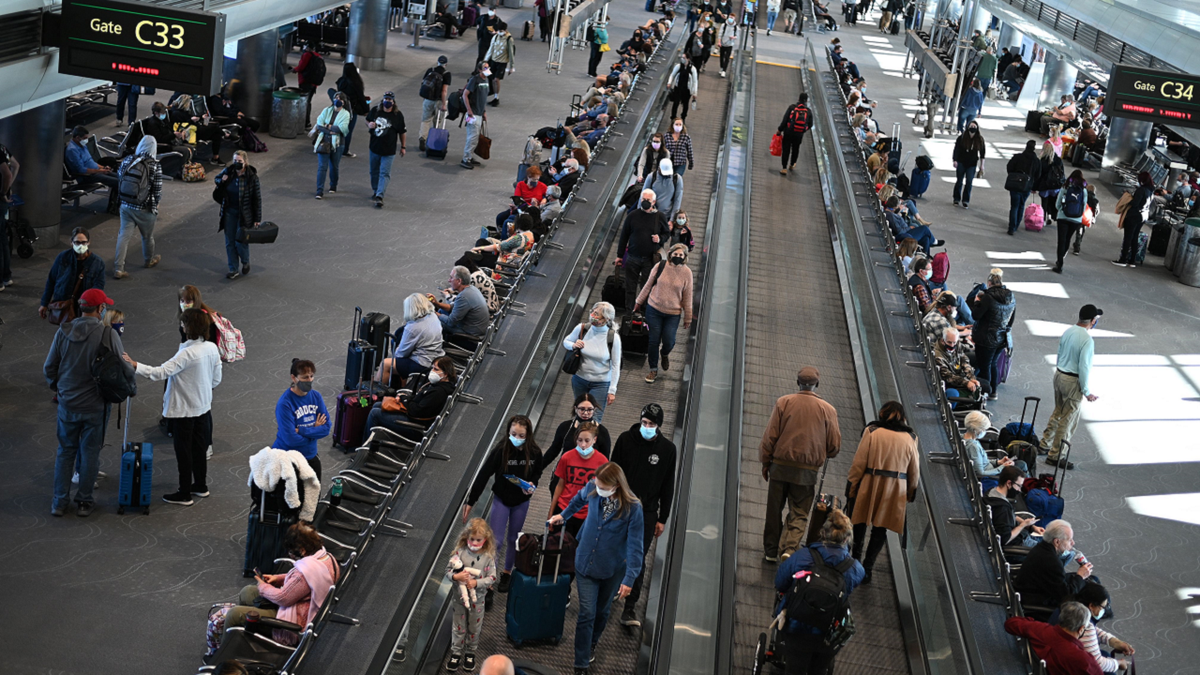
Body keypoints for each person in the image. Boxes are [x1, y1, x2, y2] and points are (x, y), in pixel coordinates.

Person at [548, 462, 644, 675]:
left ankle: (593, 642)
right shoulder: (593, 488)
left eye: (602, 486)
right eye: (596, 484)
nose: (597, 489)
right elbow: (577, 500)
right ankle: (581, 663)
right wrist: (563, 515)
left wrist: (629, 579)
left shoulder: (633, 508)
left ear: (616, 485)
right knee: (587, 613)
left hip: (612, 568)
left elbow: (636, 547)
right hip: (585, 563)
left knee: (602, 612)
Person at [44, 289, 128, 517]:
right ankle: (84, 502)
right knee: (90, 453)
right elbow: (123, 367)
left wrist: (60, 389)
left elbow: (49, 368)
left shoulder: (63, 331)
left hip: (68, 404)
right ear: (100, 309)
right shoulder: (107, 334)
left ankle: (59, 502)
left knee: (65, 452)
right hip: (95, 406)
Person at [759, 366, 842, 563]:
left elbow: (770, 436)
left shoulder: (784, 402)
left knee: (774, 510)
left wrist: (765, 461)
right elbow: (834, 446)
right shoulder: (828, 410)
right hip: (807, 471)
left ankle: (770, 551)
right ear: (817, 384)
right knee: (799, 511)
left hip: (779, 466)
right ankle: (789, 547)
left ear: (798, 383)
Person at [772, 509, 865, 674]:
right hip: (829, 631)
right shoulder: (856, 569)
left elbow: (780, 583)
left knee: (794, 669)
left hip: (796, 626)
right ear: (847, 539)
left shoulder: (803, 556)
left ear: (823, 533)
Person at [610, 403, 677, 626]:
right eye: (645, 423)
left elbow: (668, 485)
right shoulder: (625, 440)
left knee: (636, 557)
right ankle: (610, 591)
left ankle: (630, 608)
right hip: (621, 505)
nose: (647, 427)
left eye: (652, 424)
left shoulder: (667, 450)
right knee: (614, 549)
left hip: (647, 511)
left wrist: (663, 518)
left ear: (659, 426)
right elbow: (611, 472)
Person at [464, 416, 543, 595]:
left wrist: (532, 484)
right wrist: (471, 500)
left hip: (521, 502)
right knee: (495, 541)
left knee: (514, 539)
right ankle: (489, 580)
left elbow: (538, 471)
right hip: (501, 499)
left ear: (528, 435)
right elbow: (484, 474)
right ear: (508, 432)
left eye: (521, 435)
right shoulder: (501, 450)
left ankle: (506, 573)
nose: (517, 437)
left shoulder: (535, 452)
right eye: (513, 434)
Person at [224, 523, 339, 645]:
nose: (290, 555)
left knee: (233, 615)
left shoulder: (306, 571)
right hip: (300, 605)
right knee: (247, 592)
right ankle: (246, 639)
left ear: (302, 550)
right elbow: (306, 581)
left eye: (291, 552)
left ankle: (221, 655)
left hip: (294, 620)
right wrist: (277, 578)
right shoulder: (326, 558)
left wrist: (263, 587)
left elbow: (282, 598)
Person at [846, 401, 919, 582]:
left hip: (870, 482)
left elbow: (859, 463)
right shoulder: (910, 437)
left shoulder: (872, 432)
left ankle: (854, 561)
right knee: (880, 529)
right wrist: (910, 492)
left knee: (859, 523)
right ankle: (867, 568)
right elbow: (914, 470)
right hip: (895, 488)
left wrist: (852, 486)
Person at [1042, 305, 1102, 470]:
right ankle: (1055, 456)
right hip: (1072, 381)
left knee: (1058, 412)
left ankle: (1045, 443)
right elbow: (1084, 367)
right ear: (1092, 321)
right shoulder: (1087, 340)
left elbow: (1060, 353)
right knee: (1068, 420)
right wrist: (1087, 392)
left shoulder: (1068, 331)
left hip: (1059, 375)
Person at [443, 518, 498, 672]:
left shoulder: (488, 558)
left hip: (478, 600)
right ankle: (456, 652)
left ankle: (470, 652)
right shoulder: (460, 553)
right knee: (458, 626)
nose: (474, 543)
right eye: (472, 539)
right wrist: (455, 577)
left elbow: (492, 577)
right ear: (467, 537)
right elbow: (447, 571)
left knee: (474, 626)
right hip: (458, 599)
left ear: (485, 539)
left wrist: (477, 583)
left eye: (478, 540)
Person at [634, 244, 693, 384]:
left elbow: (687, 296)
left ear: (685, 257)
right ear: (670, 253)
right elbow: (648, 285)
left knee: (669, 340)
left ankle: (665, 353)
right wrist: (638, 302)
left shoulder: (687, 273)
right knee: (654, 340)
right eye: (676, 254)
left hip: (673, 314)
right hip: (654, 309)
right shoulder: (660, 266)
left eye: (681, 255)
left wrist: (688, 317)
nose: (678, 257)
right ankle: (653, 369)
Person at [113, 136, 163, 279]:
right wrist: (156, 204)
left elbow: (120, 177)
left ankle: (118, 268)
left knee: (123, 236)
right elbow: (157, 189)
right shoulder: (155, 165)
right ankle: (148, 260)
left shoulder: (128, 159)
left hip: (126, 205)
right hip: (145, 208)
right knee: (147, 237)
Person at [562, 302, 621, 423]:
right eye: (593, 312)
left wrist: (612, 390)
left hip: (601, 383)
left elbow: (616, 365)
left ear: (606, 318)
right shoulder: (582, 328)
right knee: (580, 414)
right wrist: (573, 345)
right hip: (579, 380)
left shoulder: (613, 338)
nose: (593, 315)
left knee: (594, 419)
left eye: (597, 314)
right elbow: (566, 341)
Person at [1013, 519, 1092, 609]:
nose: (1073, 543)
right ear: (1057, 542)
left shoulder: (1043, 547)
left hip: (1032, 588)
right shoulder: (1052, 561)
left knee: (1090, 581)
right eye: (1069, 540)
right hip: (1035, 601)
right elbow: (1066, 597)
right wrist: (1080, 576)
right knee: (1087, 591)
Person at [548, 421, 609, 540]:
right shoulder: (567, 457)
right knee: (556, 547)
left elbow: (604, 493)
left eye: (587, 441)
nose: (583, 445)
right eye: (580, 440)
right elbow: (560, 485)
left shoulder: (602, 462)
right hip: (564, 508)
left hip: (587, 514)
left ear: (594, 440)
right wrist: (551, 512)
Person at [1004, 603, 1103, 675]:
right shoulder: (1083, 660)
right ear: (1081, 629)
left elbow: (1010, 624)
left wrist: (1031, 622)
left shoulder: (1039, 630)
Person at [273, 358, 331, 481]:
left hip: (310, 454)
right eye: (305, 377)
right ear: (294, 378)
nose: (309, 380)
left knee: (314, 495)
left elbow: (326, 429)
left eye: (311, 376)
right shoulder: (285, 404)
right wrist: (315, 430)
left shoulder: (316, 396)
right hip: (289, 458)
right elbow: (290, 439)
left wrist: (302, 431)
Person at [365, 356, 457, 432]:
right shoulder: (442, 386)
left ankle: (366, 449)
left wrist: (404, 399)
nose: (432, 371)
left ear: (445, 374)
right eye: (432, 368)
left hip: (416, 426)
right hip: (415, 416)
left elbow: (416, 411)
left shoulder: (438, 392)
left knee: (375, 414)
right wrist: (404, 398)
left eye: (436, 369)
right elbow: (420, 402)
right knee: (377, 405)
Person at [1061, 583, 1135, 673]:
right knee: (1109, 671)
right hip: (1070, 666)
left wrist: (1114, 642)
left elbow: (1093, 632)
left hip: (1061, 656)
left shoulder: (1067, 610)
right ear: (1091, 606)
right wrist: (1119, 663)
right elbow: (1098, 664)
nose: (1103, 611)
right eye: (1102, 607)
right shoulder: (1086, 627)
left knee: (1105, 654)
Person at [617, 189, 670, 312]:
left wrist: (660, 238)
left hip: (650, 259)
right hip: (632, 257)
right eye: (643, 200)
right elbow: (624, 236)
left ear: (654, 202)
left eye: (648, 200)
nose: (645, 202)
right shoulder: (633, 215)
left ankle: (643, 310)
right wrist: (620, 255)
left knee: (646, 286)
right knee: (630, 285)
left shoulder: (659, 216)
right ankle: (629, 310)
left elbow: (667, 233)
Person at [39, 228, 106, 322]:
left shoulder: (97, 263)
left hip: (85, 307)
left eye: (84, 242)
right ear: (71, 242)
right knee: (66, 332)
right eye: (77, 242)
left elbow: (98, 287)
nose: (81, 245)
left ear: (89, 242)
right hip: (65, 305)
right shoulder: (63, 257)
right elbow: (52, 280)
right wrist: (44, 303)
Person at [213, 150, 261, 280]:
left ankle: (245, 261)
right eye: (235, 161)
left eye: (239, 161)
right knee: (230, 242)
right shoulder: (229, 172)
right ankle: (233, 269)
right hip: (229, 212)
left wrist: (257, 218)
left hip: (245, 214)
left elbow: (257, 199)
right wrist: (222, 181)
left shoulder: (252, 177)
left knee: (240, 241)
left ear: (245, 162)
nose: (237, 164)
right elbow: (216, 179)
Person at [380, 293, 444, 386]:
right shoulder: (432, 315)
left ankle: (374, 395)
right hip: (436, 355)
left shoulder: (413, 328)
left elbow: (401, 353)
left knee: (385, 364)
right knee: (399, 362)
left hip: (423, 363)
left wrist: (396, 352)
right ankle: (402, 388)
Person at [970, 268, 1014, 400]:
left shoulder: (988, 297)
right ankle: (993, 392)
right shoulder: (1011, 296)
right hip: (1002, 337)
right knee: (993, 364)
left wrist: (977, 302)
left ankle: (984, 393)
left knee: (985, 366)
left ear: (989, 283)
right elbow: (1011, 319)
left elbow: (976, 316)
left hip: (986, 338)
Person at [544, 393, 613, 469]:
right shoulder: (565, 427)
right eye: (582, 409)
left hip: (590, 474)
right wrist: (536, 471)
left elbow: (604, 460)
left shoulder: (602, 431)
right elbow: (553, 451)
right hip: (565, 470)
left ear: (595, 409)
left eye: (589, 409)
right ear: (575, 409)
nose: (585, 413)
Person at [365, 91, 406, 208]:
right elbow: (367, 120)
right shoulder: (375, 111)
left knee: (384, 173)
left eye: (389, 100)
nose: (387, 102)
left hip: (389, 151)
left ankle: (380, 195)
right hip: (374, 148)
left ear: (393, 102)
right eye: (385, 99)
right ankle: (375, 190)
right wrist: (369, 125)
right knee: (374, 172)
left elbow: (402, 132)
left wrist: (403, 147)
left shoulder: (398, 115)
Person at [63, 126, 120, 211]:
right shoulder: (72, 150)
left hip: (96, 172)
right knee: (117, 182)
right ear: (78, 137)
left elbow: (91, 162)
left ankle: (116, 204)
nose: (86, 140)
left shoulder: (82, 145)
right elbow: (82, 170)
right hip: (87, 176)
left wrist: (103, 168)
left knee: (122, 177)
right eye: (85, 138)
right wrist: (101, 171)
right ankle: (114, 207)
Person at [985, 464, 1042, 547]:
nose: (1019, 490)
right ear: (1009, 483)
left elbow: (1011, 516)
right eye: (1019, 486)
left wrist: (1031, 527)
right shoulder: (1002, 508)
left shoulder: (991, 492)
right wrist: (1023, 525)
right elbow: (1005, 539)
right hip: (1017, 545)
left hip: (1020, 534)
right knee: (1061, 553)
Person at [432, 266, 490, 340]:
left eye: (451, 278)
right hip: (477, 327)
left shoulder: (464, 296)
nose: (449, 280)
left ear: (459, 281)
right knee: (442, 311)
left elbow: (450, 322)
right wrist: (437, 303)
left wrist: (435, 314)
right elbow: (453, 307)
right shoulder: (471, 289)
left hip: (472, 334)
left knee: (435, 321)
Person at [312, 92, 351, 199]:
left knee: (334, 166)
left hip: (338, 144)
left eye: (340, 99)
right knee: (322, 167)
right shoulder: (326, 110)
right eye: (335, 98)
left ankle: (333, 185)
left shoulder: (346, 114)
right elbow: (319, 124)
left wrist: (328, 126)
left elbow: (342, 128)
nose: (337, 100)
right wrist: (331, 130)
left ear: (344, 102)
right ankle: (319, 191)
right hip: (324, 142)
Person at [935, 327, 987, 406]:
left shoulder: (957, 344)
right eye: (949, 342)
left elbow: (964, 361)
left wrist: (971, 378)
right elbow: (948, 376)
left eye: (954, 342)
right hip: (949, 382)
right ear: (943, 341)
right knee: (985, 388)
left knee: (986, 386)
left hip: (958, 374)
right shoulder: (938, 356)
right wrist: (966, 383)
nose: (952, 345)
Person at [1113, 171, 1154, 267]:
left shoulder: (1141, 190)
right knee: (1135, 237)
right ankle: (1132, 261)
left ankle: (1123, 260)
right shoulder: (1151, 190)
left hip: (1134, 216)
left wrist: (1128, 199)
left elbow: (1135, 203)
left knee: (1128, 237)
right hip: (1143, 216)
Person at [1052, 171, 1088, 273]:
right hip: (1076, 219)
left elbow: (1058, 203)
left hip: (1063, 217)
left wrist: (1061, 210)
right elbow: (1084, 205)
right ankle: (1062, 257)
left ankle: (1059, 263)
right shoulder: (1083, 190)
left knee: (1061, 240)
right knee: (1068, 239)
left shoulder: (1065, 187)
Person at [963, 410, 1017, 478]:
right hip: (991, 475)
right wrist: (1002, 467)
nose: (985, 432)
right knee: (1021, 465)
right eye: (984, 430)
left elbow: (982, 461)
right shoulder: (973, 447)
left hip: (991, 468)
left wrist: (998, 462)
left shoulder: (963, 437)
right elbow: (981, 473)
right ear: (976, 430)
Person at [332, 62, 368, 157]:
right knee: (348, 130)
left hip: (340, 108)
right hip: (352, 109)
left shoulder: (341, 81)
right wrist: (366, 110)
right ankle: (345, 150)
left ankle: (334, 146)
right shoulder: (356, 83)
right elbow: (361, 97)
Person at [1005, 140, 1041, 235]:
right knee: (1021, 205)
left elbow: (1009, 167)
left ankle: (1011, 227)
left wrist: (1014, 175)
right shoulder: (1036, 161)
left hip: (1015, 185)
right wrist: (1033, 186)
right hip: (1027, 187)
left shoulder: (1018, 157)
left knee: (1014, 206)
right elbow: (1038, 175)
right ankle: (1016, 225)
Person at [460, 62, 491, 170]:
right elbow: (465, 95)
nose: (487, 69)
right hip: (473, 114)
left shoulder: (486, 80)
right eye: (485, 68)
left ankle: (470, 156)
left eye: (488, 67)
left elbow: (483, 98)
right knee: (472, 137)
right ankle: (466, 159)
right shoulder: (475, 80)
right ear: (479, 70)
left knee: (475, 137)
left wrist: (484, 112)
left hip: (479, 113)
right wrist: (469, 111)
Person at [419, 56, 451, 152]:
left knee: (425, 120)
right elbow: (444, 91)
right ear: (446, 64)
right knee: (437, 120)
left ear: (437, 62)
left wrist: (425, 97)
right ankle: (434, 141)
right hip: (439, 101)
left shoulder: (430, 70)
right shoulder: (447, 74)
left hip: (428, 99)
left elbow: (423, 83)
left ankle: (422, 138)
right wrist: (444, 104)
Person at [952, 120, 985, 208]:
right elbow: (956, 149)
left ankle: (965, 200)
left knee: (969, 182)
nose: (972, 128)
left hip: (972, 164)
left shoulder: (979, 139)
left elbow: (982, 154)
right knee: (959, 181)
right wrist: (955, 160)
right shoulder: (962, 137)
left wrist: (982, 165)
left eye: (974, 127)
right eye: (971, 126)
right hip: (961, 162)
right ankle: (956, 198)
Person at [777, 93, 812, 175]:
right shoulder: (808, 111)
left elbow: (785, 120)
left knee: (786, 149)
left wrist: (779, 129)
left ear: (798, 99)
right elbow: (810, 124)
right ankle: (792, 164)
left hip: (789, 132)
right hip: (799, 134)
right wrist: (803, 130)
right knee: (795, 148)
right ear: (806, 101)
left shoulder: (792, 108)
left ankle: (784, 168)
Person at [292, 43, 325, 128]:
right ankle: (307, 123)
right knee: (308, 102)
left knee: (303, 102)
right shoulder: (318, 56)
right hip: (314, 83)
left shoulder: (307, 55)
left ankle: (303, 122)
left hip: (305, 81)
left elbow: (301, 67)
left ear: (307, 47)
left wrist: (294, 69)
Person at [485, 22, 516, 107]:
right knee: (489, 76)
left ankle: (496, 98)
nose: (499, 32)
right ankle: (492, 91)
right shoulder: (495, 37)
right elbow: (490, 49)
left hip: (502, 62)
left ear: (505, 30)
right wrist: (485, 60)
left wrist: (511, 67)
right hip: (493, 61)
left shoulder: (509, 39)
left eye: (501, 31)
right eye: (498, 30)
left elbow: (511, 53)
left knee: (496, 79)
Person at [1036, 140, 1065, 225]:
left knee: (1044, 203)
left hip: (1044, 186)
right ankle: (1051, 215)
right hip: (1055, 186)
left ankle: (1043, 219)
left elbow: (1038, 175)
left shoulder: (1041, 161)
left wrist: (1034, 187)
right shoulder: (1058, 160)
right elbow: (1062, 173)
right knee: (1052, 202)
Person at [667, 55, 699, 122]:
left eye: (684, 58)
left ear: (688, 59)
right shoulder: (678, 66)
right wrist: (669, 82)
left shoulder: (692, 69)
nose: (682, 59)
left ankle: (683, 117)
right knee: (676, 103)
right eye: (682, 58)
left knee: (685, 104)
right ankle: (673, 117)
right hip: (677, 88)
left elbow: (695, 81)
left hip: (687, 90)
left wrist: (695, 92)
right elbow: (672, 74)